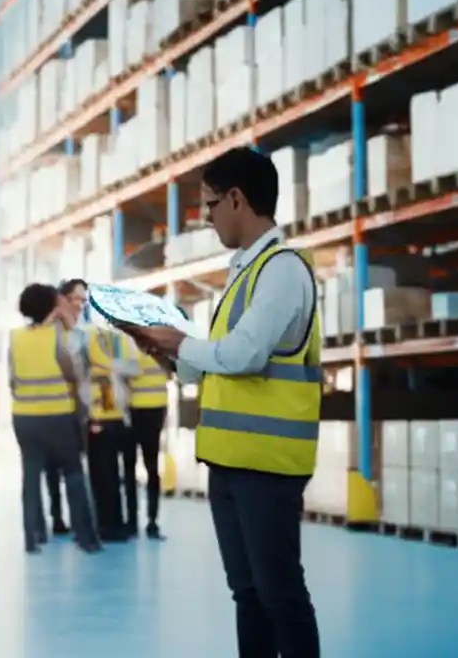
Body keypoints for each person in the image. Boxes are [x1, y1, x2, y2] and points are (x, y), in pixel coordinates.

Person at [123, 147, 321, 658]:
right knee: (248, 594)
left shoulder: (281, 270)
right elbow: (212, 362)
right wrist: (164, 352)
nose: (207, 217)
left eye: (210, 205)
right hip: (230, 462)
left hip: (268, 466)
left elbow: (245, 354)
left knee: (280, 595)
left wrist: (178, 342)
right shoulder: (242, 271)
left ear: (237, 199)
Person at [8, 283, 101, 555]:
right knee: (73, 473)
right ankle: (86, 539)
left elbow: (12, 380)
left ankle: (31, 538)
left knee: (30, 477)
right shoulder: (56, 337)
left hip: (24, 417)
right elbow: (74, 370)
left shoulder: (15, 338)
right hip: (57, 417)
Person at [40, 278, 91, 536]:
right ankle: (57, 516)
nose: (80, 305)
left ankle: (80, 519)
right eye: (75, 299)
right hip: (50, 407)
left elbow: (83, 367)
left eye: (83, 300)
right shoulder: (48, 330)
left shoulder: (82, 332)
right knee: (51, 468)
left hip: (76, 409)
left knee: (74, 466)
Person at [84, 316, 140, 542]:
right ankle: (112, 524)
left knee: (104, 476)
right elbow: (131, 368)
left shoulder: (90, 337)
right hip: (112, 415)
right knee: (109, 476)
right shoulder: (120, 341)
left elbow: (132, 368)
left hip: (104, 416)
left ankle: (109, 526)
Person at [123, 333, 171, 539]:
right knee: (150, 467)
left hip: (135, 410)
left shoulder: (127, 345)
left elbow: (123, 374)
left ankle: (133, 522)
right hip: (155, 409)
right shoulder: (162, 348)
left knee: (131, 466)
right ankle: (152, 522)